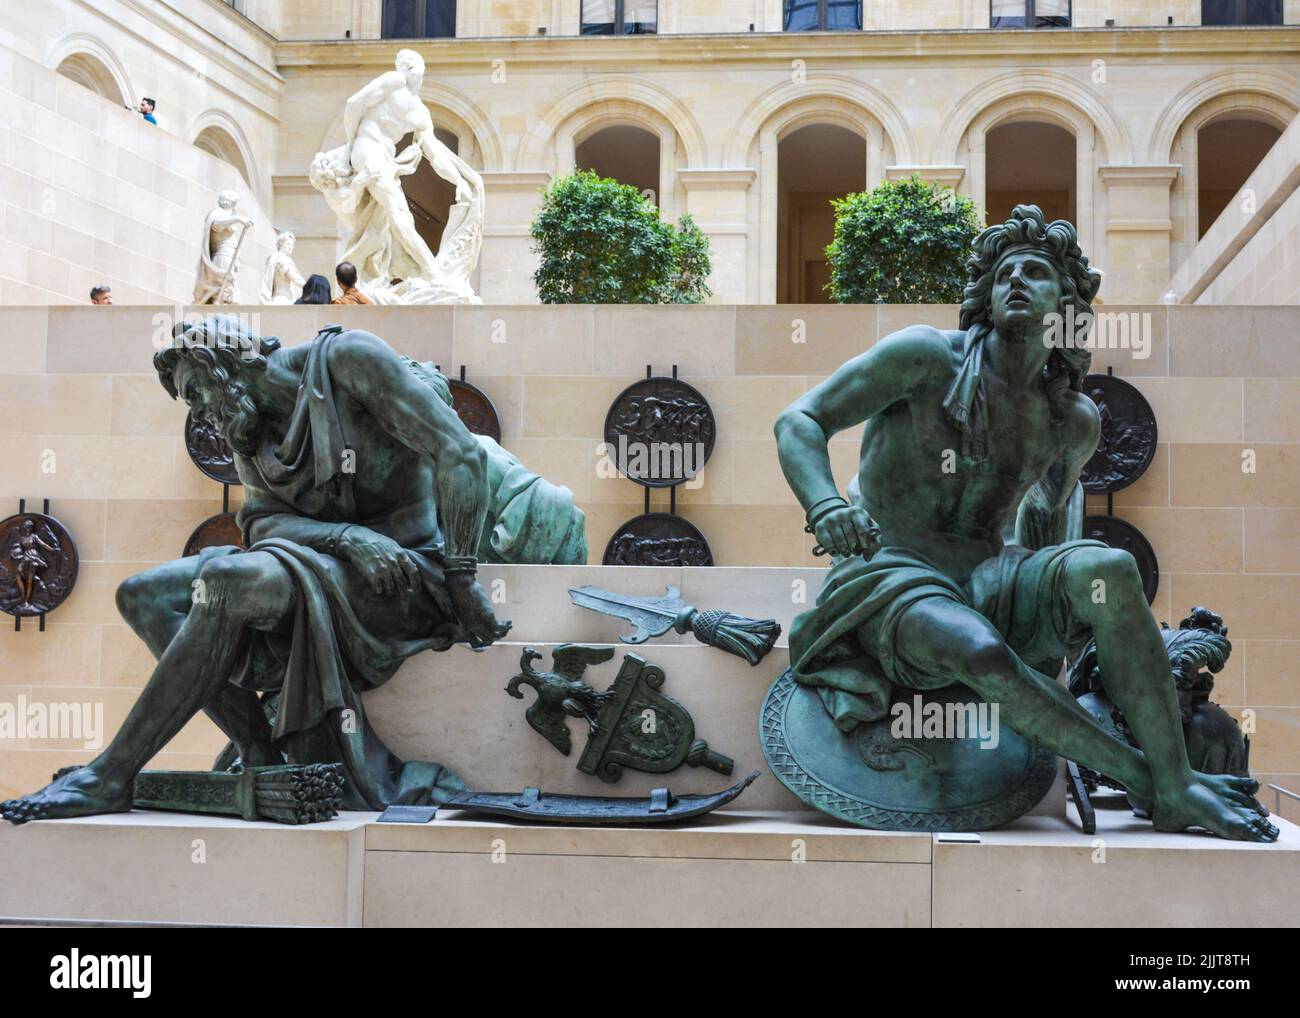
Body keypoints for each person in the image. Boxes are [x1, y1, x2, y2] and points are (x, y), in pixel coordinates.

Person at [775, 204, 1275, 843]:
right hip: (888, 572)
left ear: (1066, 306)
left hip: (991, 576)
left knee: (1111, 568)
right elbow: (800, 420)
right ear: (985, 296)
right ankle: (1157, 786)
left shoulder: (1072, 421)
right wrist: (826, 506)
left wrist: (1079, 624)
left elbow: (1047, 528)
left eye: (1035, 272)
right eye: (1004, 273)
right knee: (981, 649)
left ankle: (1176, 775)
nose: (1015, 280)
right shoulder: (924, 357)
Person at [1, 315, 511, 823]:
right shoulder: (248, 433)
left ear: (225, 364)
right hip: (325, 560)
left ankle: (109, 776)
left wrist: (461, 577)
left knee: (226, 582)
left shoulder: (349, 361)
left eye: (195, 392)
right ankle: (260, 752)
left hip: (402, 574)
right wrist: (344, 536)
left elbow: (460, 451)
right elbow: (264, 524)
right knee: (141, 594)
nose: (200, 411)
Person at [193, 190, 253, 304]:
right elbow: (216, 224)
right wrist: (238, 218)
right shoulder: (216, 213)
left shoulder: (225, 215)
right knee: (223, 284)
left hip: (229, 254)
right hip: (223, 254)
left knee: (227, 285)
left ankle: (222, 305)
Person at [258, 231, 306, 304]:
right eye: (288, 244)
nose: (290, 247)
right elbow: (294, 277)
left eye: (292, 245)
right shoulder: (280, 257)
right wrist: (310, 286)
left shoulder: (282, 258)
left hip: (285, 299)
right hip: (283, 300)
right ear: (281, 244)